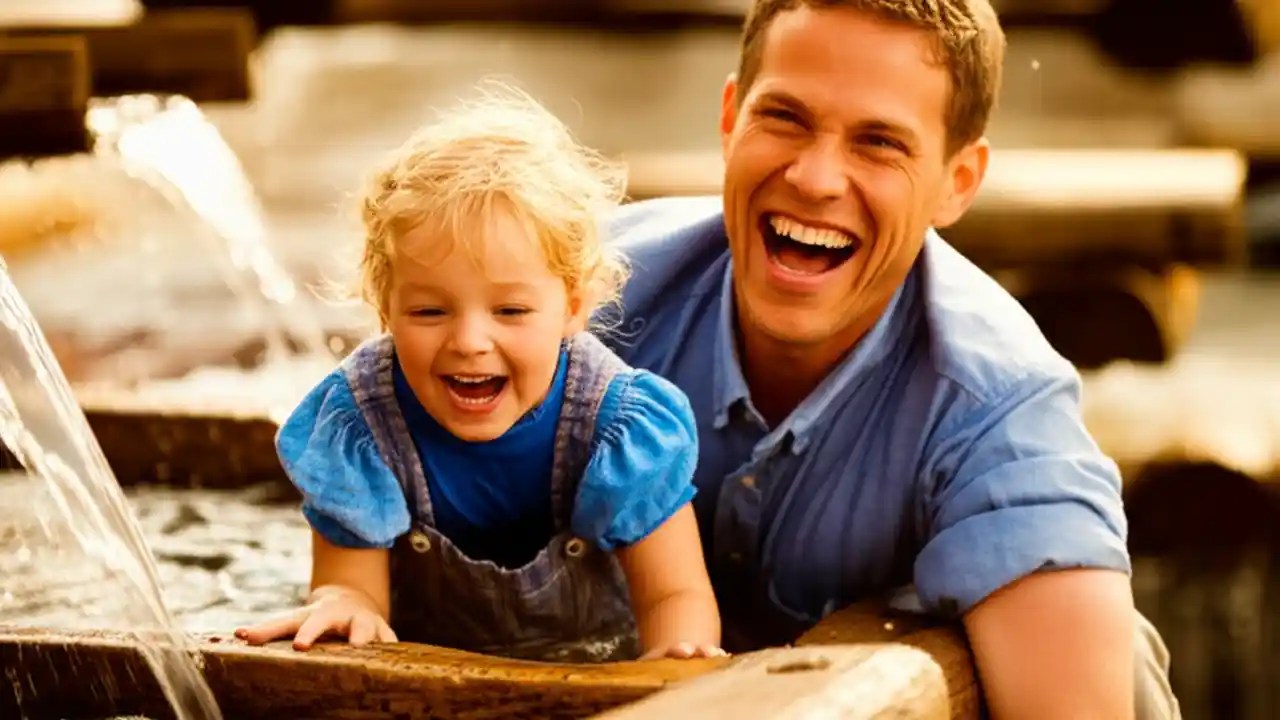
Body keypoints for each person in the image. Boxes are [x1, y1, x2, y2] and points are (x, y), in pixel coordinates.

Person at [601, 0, 1178, 717]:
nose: (814, 178)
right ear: (730, 116)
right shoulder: (582, 301)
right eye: (783, 117)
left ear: (958, 181)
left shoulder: (997, 402)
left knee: (1114, 649)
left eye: (879, 143)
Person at [235, 85, 723, 663]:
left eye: (511, 311)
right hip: (423, 686)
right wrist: (345, 602)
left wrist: (676, 660)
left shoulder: (617, 429)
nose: (468, 342)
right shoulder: (360, 426)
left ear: (571, 307)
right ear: (383, 305)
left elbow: (675, 593)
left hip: (592, 672)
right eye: (428, 311)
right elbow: (350, 585)